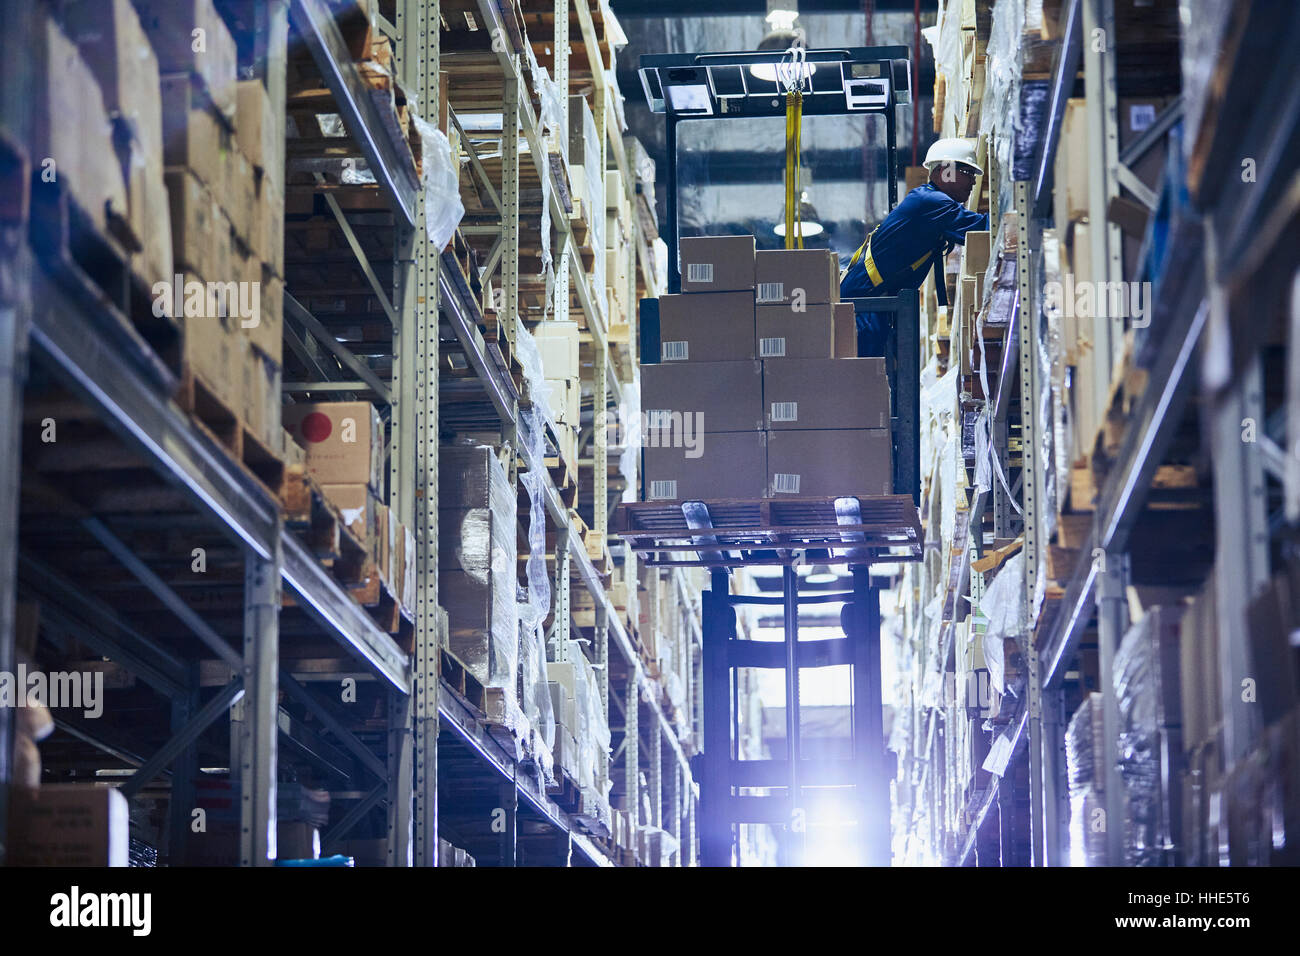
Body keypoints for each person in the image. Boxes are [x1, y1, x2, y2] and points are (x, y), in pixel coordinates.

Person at [840, 138, 989, 356]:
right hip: (864, 306)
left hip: (872, 303)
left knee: (872, 374)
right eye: (967, 173)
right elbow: (984, 228)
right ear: (944, 171)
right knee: (864, 376)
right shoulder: (932, 203)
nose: (973, 183)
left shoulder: (928, 199)